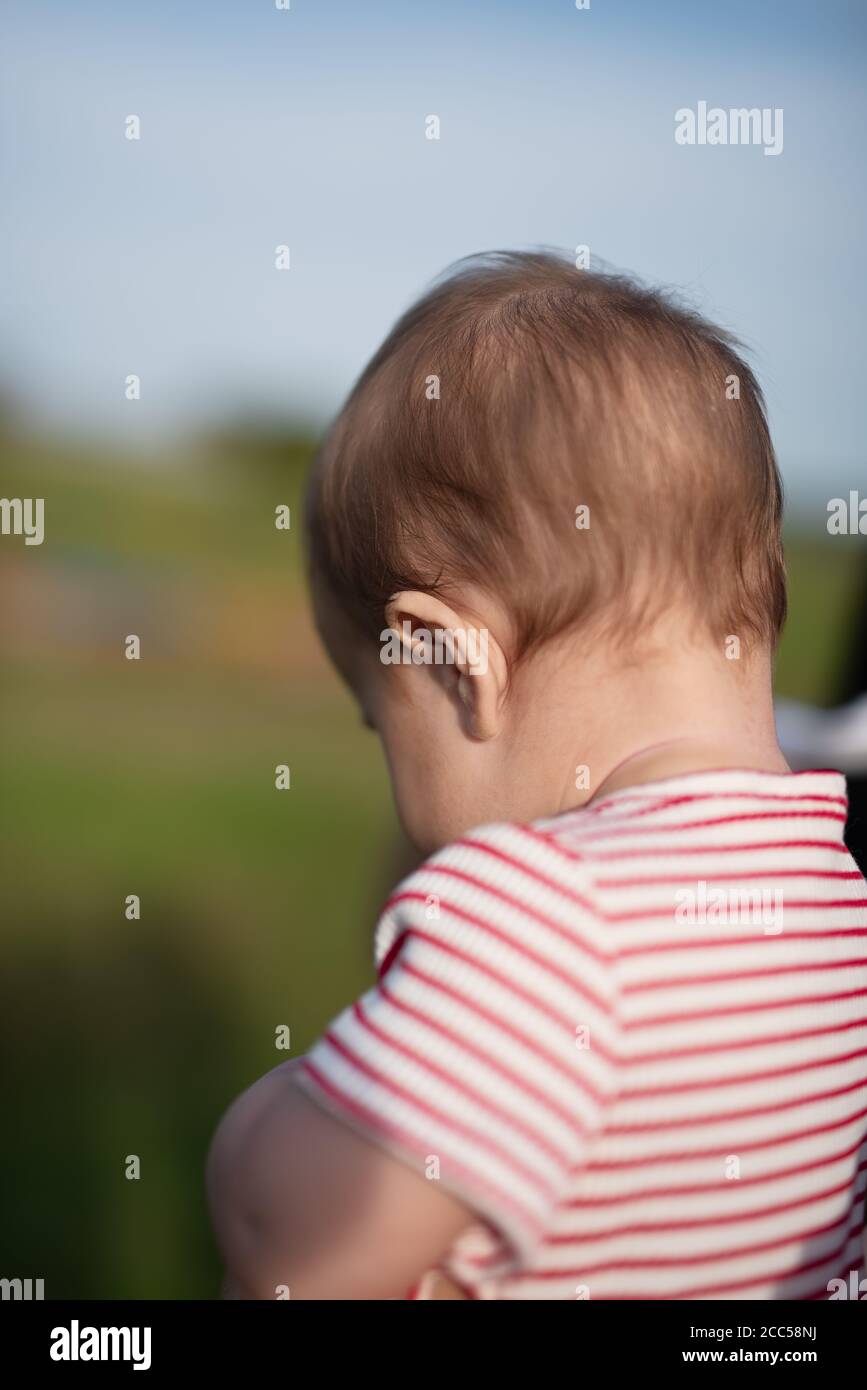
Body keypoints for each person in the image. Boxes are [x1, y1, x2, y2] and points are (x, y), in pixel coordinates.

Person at [207, 252, 867, 1300]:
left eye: (381, 719)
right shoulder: (834, 889)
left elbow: (289, 1239)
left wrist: (279, 1108)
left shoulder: (544, 915)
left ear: (453, 663)